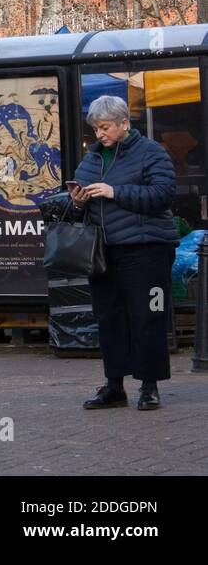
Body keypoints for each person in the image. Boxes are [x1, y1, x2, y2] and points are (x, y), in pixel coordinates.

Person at [68, 96, 178, 411]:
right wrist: (76, 200)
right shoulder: (92, 158)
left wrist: (114, 191)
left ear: (124, 124)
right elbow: (77, 206)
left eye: (105, 127)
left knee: (148, 317)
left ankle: (149, 386)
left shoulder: (151, 152)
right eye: (96, 128)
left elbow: (163, 194)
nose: (99, 134)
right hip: (103, 252)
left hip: (147, 250)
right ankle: (114, 386)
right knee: (109, 318)